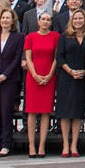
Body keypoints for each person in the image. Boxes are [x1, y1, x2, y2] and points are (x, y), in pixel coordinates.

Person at [0, 7, 23, 157]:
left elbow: (16, 58)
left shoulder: (18, 37)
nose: (5, 20)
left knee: (6, 112)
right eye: (3, 18)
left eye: (8, 18)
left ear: (13, 21)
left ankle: (6, 144)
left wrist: (5, 75)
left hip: (9, 81)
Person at [55, 8, 85, 157]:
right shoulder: (65, 37)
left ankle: (74, 145)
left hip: (82, 79)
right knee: (65, 113)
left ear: (84, 20)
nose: (78, 21)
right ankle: (65, 144)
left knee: (77, 113)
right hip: (66, 78)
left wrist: (84, 72)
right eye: (75, 19)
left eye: (80, 18)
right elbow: (59, 57)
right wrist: (70, 71)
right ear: (71, 21)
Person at [24, 10, 59, 157]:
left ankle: (42, 146)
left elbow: (56, 58)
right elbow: (28, 58)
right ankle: (31, 145)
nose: (45, 22)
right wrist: (35, 75)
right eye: (43, 19)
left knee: (46, 112)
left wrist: (50, 75)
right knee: (32, 112)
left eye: (48, 19)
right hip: (33, 77)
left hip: (49, 76)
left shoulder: (55, 36)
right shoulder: (30, 37)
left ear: (51, 22)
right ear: (38, 21)